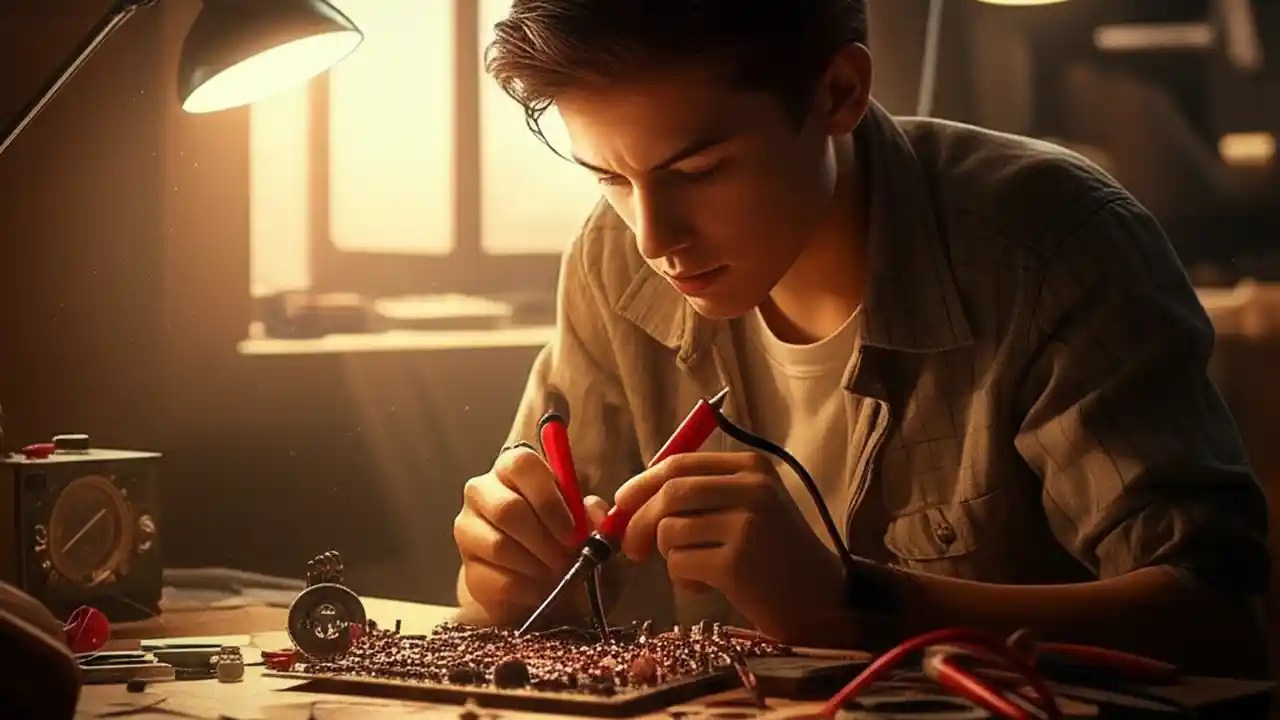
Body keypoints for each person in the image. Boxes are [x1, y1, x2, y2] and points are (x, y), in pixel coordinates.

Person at [452, 0, 1269, 678]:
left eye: (699, 172)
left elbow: (1216, 620)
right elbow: (530, 576)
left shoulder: (1051, 244)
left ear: (839, 91)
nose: (653, 237)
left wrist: (849, 603)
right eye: (609, 178)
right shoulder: (611, 260)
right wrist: (507, 575)